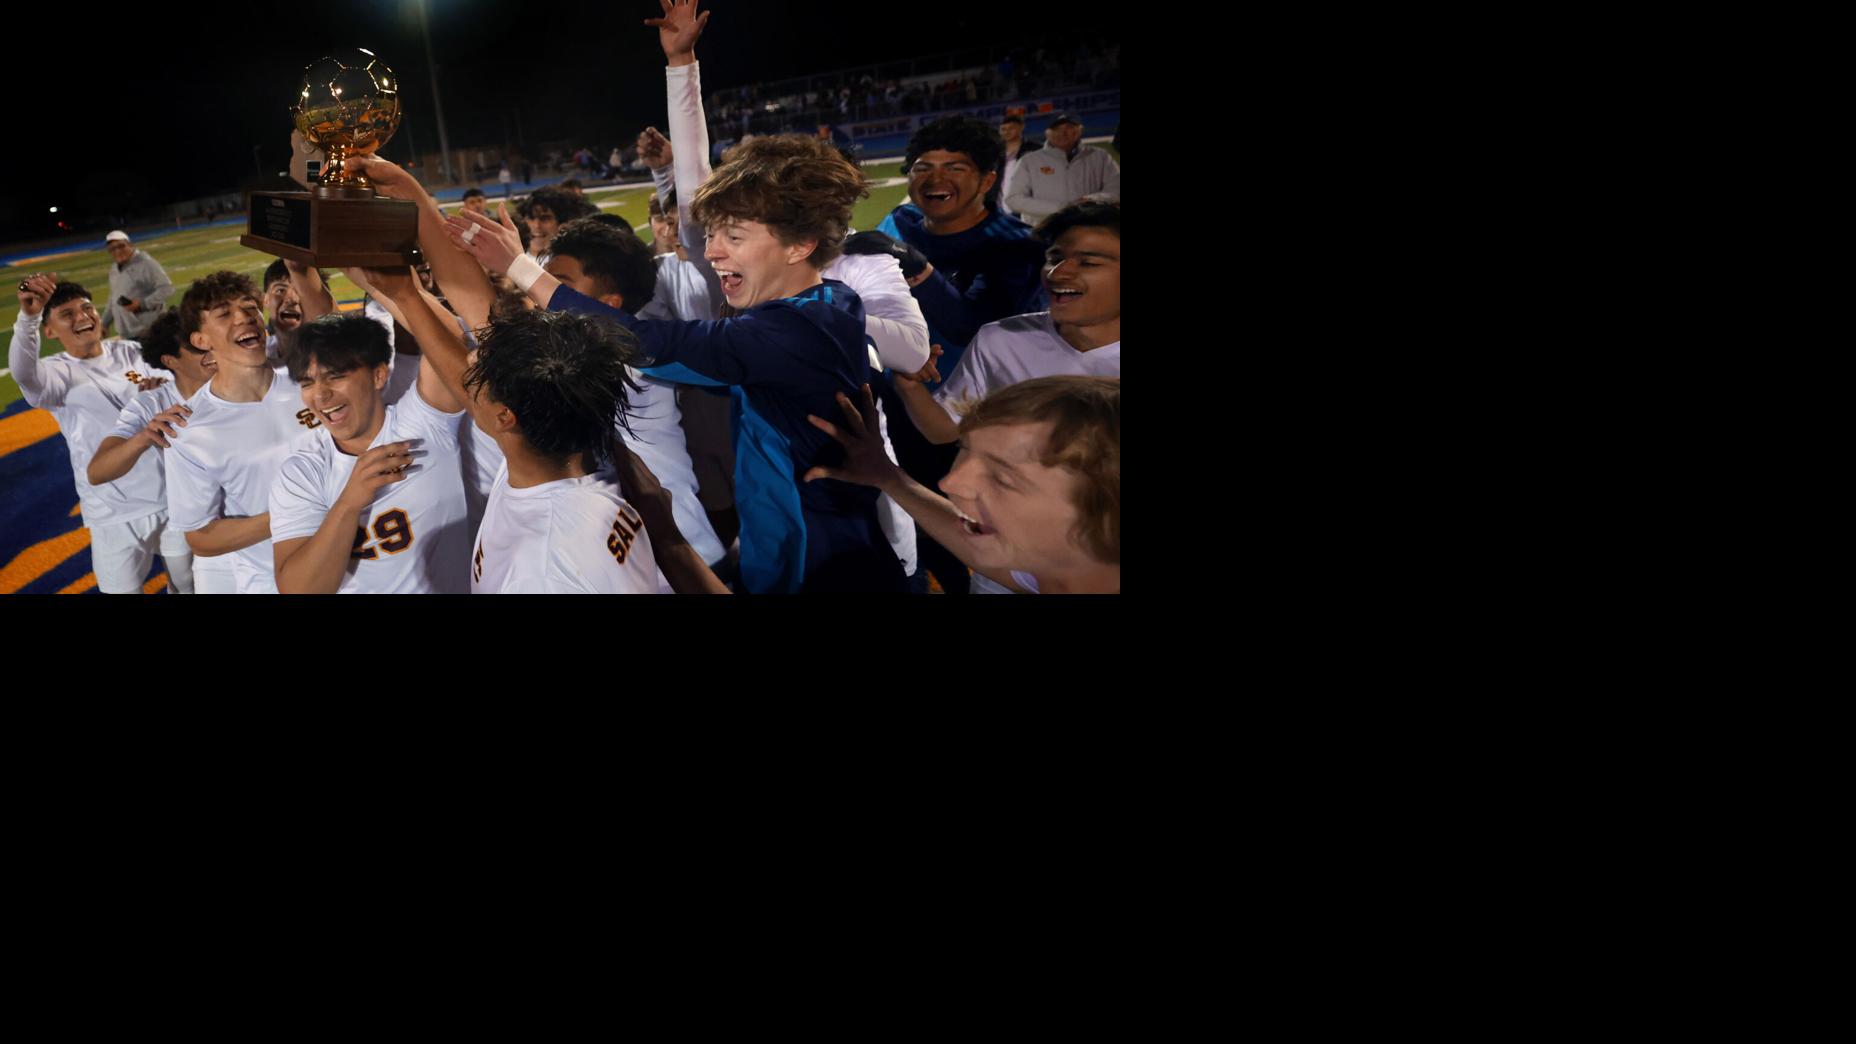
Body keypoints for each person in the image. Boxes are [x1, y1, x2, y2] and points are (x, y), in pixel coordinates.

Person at [366, 267, 666, 594]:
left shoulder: (542, 569)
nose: (467, 384)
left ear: (505, 416)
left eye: (479, 378)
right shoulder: (567, 457)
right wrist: (406, 297)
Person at [807, 376, 1119, 594]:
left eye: (1002, 478)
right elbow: (981, 546)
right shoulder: (1061, 568)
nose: (949, 483)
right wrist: (887, 476)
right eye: (964, 449)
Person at [268, 311, 472, 594]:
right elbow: (298, 589)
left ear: (378, 375)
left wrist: (400, 293)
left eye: (335, 376)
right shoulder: (302, 473)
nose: (320, 395)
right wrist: (349, 503)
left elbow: (454, 336)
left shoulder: (423, 423)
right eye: (307, 383)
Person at [10, 275, 187, 593]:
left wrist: (166, 387)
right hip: (113, 513)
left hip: (171, 497)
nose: (82, 317)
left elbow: (176, 383)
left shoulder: (130, 352)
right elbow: (23, 373)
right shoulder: (56, 373)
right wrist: (28, 318)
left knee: (189, 586)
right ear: (49, 331)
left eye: (87, 307)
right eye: (67, 314)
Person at [893, 201, 1121, 446]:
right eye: (1054, 258)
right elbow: (946, 429)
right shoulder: (1001, 339)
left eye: (1088, 263)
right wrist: (910, 386)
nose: (1057, 273)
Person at [163, 271, 320, 594]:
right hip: (270, 580)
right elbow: (200, 537)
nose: (244, 319)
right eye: (224, 314)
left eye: (250, 309)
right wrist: (296, 513)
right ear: (201, 340)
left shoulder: (311, 380)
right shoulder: (190, 428)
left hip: (358, 558)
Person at [84, 312, 215, 593]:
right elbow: (97, 472)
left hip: (232, 509)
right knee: (185, 586)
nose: (210, 349)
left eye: (208, 340)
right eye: (196, 347)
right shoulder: (150, 404)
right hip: (187, 512)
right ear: (170, 361)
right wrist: (143, 438)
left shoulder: (237, 384)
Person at [1004, 114, 1121, 222]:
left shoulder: (1101, 156)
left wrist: (1092, 199)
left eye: (1069, 127)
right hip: (1044, 233)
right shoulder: (1029, 160)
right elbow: (1014, 199)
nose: (1063, 132)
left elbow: (1116, 190)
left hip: (1090, 229)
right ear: (1047, 133)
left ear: (1080, 130)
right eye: (1056, 129)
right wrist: (1062, 208)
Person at [102, 230, 175, 341]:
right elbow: (113, 298)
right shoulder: (114, 269)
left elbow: (167, 288)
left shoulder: (145, 263)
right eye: (112, 249)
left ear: (130, 245)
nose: (117, 251)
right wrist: (104, 323)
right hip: (127, 333)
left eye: (121, 246)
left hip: (149, 330)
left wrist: (142, 304)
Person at [517, 185, 599, 258]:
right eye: (531, 218)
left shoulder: (577, 264)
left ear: (564, 224)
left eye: (545, 218)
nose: (536, 225)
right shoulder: (511, 261)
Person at [995, 113, 1044, 219]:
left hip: (1026, 207)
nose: (1006, 132)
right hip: (999, 208)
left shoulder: (1036, 149)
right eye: (1003, 129)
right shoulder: (995, 152)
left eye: (1011, 128)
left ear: (1021, 127)